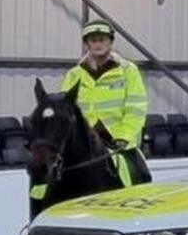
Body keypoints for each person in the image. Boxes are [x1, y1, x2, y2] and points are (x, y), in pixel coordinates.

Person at [60, 19, 150, 186]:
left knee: (140, 176)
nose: (98, 44)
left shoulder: (128, 71)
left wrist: (123, 135)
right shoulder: (74, 75)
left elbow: (136, 108)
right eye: (93, 40)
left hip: (117, 141)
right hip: (84, 142)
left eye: (102, 39)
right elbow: (64, 110)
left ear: (111, 41)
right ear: (87, 44)